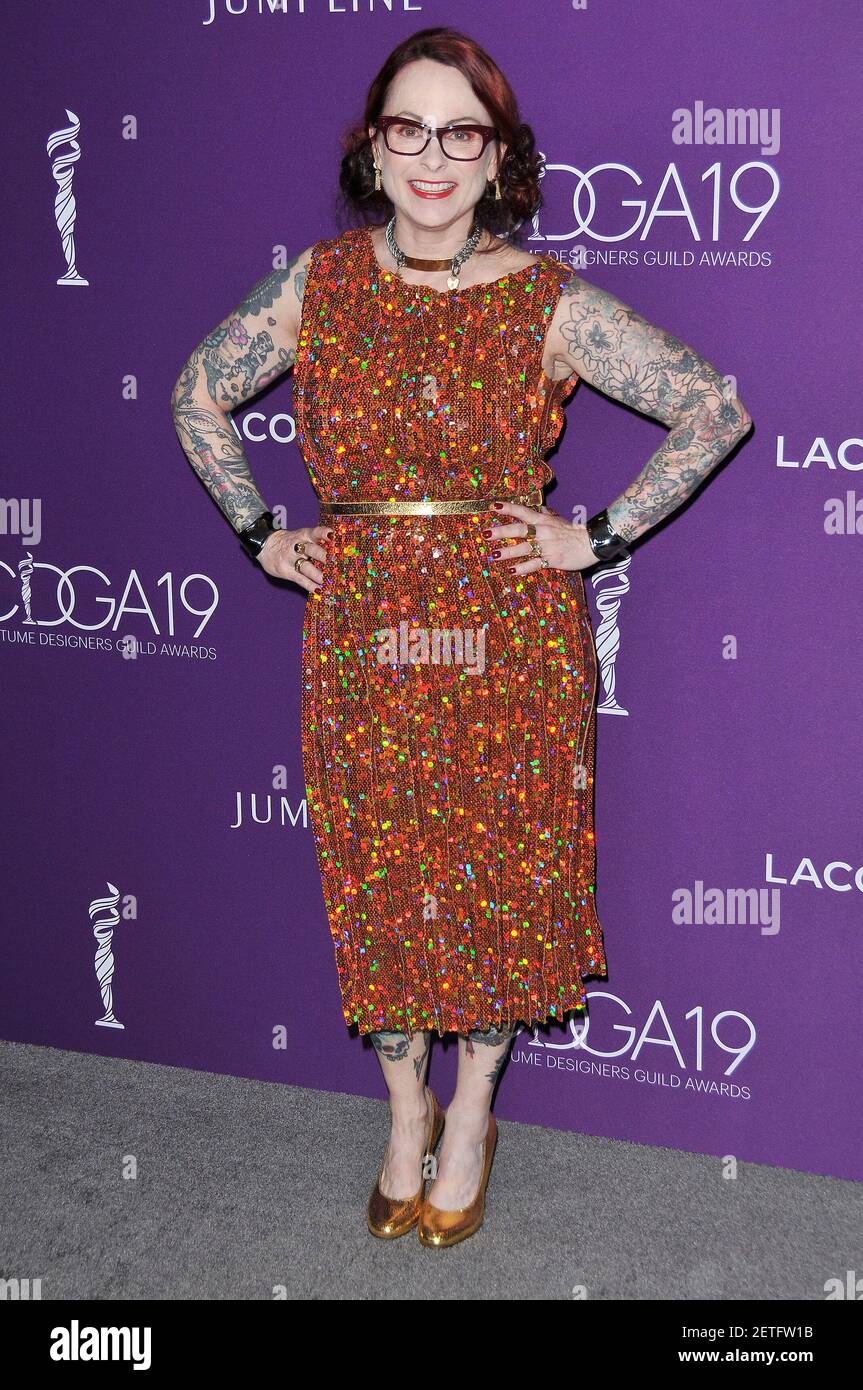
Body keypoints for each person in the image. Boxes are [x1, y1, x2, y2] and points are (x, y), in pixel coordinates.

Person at [170, 26, 752, 1249]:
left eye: (460, 132)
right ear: (372, 151)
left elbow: (714, 407)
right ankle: (401, 1106)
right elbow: (197, 392)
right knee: (379, 876)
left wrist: (590, 539)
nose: (431, 156)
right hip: (362, 626)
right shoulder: (317, 288)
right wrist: (257, 530)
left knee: (498, 881)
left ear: (497, 160)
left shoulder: (544, 300)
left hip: (507, 631)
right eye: (405, 128)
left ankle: (475, 1108)